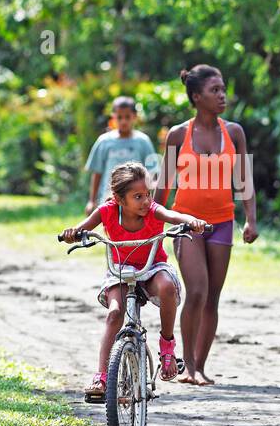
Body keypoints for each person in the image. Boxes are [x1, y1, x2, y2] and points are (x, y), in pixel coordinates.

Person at [60, 162, 207, 403]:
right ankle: (102, 376)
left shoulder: (153, 211)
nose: (146, 201)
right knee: (114, 314)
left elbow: (173, 215)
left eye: (147, 194)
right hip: (120, 271)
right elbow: (81, 229)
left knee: (167, 285)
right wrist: (72, 233)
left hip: (151, 267)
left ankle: (167, 345)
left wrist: (192, 221)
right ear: (119, 199)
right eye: (137, 196)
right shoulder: (106, 211)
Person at [158, 65, 258, 386]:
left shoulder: (234, 132)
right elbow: (163, 187)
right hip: (186, 223)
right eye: (215, 90)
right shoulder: (178, 134)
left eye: (223, 89)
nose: (222, 95)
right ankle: (186, 365)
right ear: (196, 96)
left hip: (222, 222)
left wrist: (250, 220)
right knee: (196, 291)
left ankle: (199, 367)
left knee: (213, 296)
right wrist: (153, 224)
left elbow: (244, 180)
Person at [84, 96, 157, 214]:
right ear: (113, 117)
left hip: (136, 202)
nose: (123, 121)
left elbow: (152, 172)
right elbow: (97, 172)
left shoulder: (143, 141)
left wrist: (150, 198)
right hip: (109, 199)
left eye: (127, 117)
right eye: (119, 117)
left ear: (134, 116)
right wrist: (91, 201)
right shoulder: (104, 141)